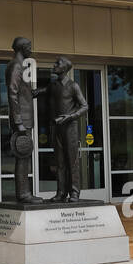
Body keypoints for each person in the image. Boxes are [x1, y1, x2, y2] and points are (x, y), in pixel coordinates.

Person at [5, 36, 48, 204]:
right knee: (22, 156)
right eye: (29, 46)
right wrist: (18, 121)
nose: (31, 49)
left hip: (24, 118)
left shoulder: (22, 66)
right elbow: (12, 92)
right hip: (22, 119)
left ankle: (24, 192)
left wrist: (44, 90)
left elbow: (25, 94)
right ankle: (23, 194)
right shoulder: (16, 65)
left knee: (24, 156)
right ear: (21, 48)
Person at [47, 57, 88, 202]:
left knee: (72, 161)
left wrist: (70, 116)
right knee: (60, 162)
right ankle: (61, 193)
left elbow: (84, 106)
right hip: (56, 128)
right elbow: (43, 92)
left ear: (64, 68)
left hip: (70, 127)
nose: (54, 65)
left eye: (57, 63)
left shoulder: (73, 86)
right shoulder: (53, 86)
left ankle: (75, 193)